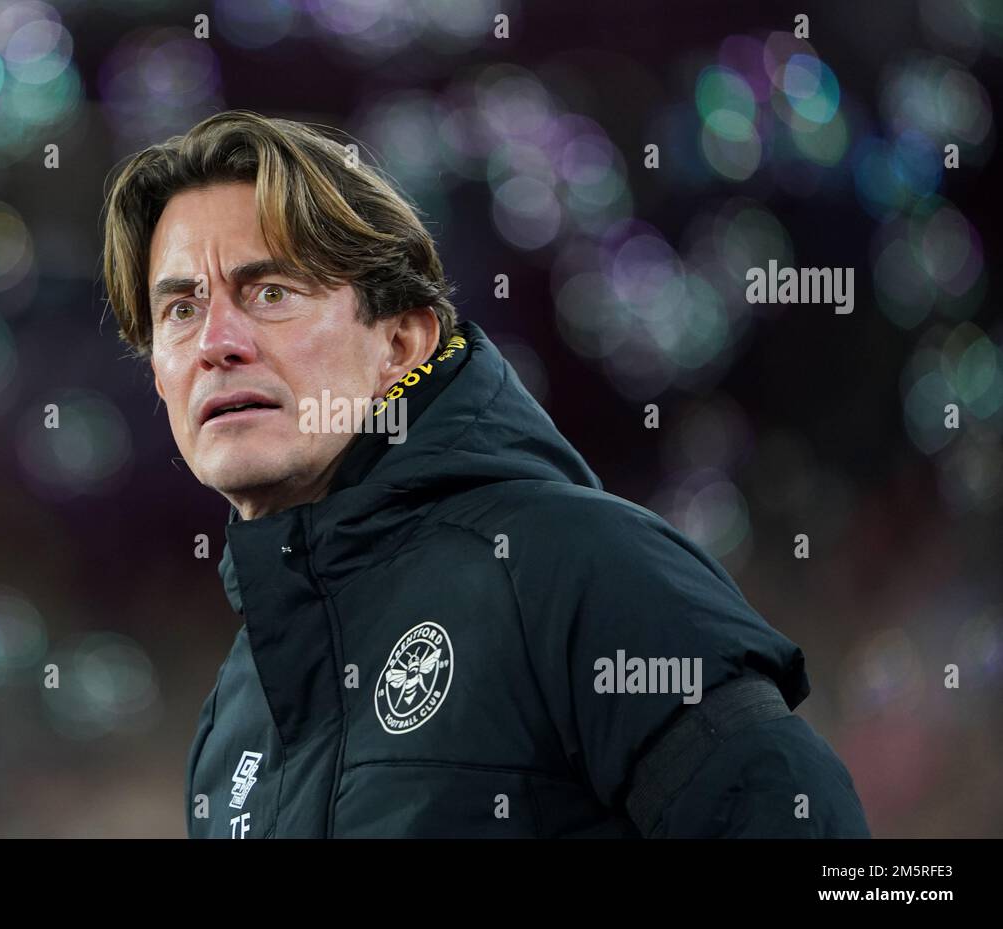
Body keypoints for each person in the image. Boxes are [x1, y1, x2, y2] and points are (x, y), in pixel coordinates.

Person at [101, 110, 871, 838]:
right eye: (180, 309)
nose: (216, 341)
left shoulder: (581, 569)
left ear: (400, 343)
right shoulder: (232, 720)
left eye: (270, 292)